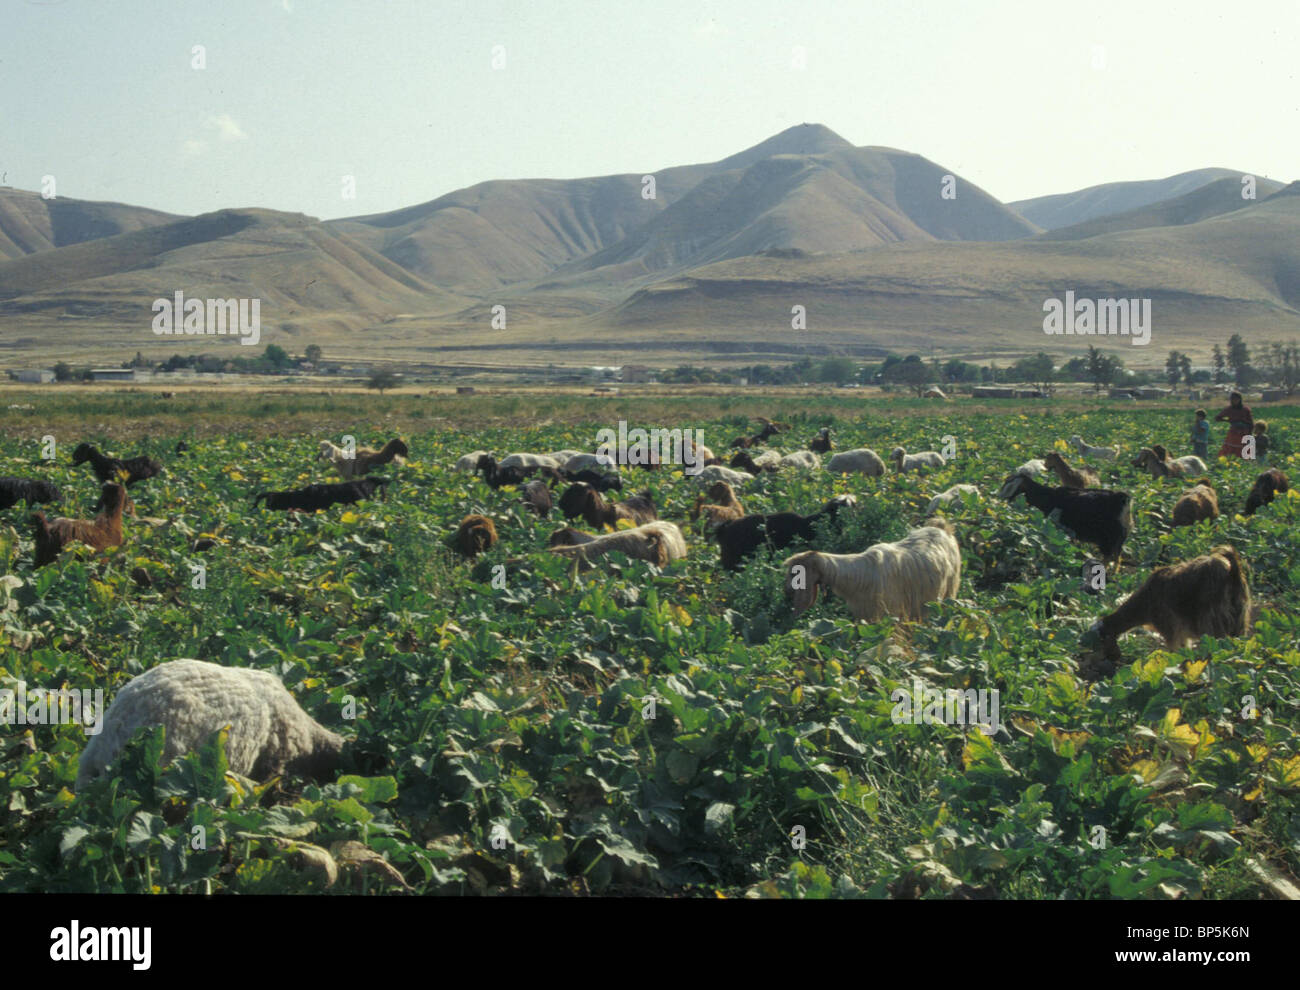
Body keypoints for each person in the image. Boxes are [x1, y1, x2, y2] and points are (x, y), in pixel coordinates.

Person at [1215, 392, 1254, 458]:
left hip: (1244, 433)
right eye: (1232, 399)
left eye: (1236, 399)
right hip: (1233, 433)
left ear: (1240, 400)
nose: (1234, 401)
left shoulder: (1245, 410)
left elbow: (1251, 423)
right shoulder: (1229, 409)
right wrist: (1229, 421)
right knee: (1230, 451)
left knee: (1244, 451)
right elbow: (1217, 418)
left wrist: (1249, 433)